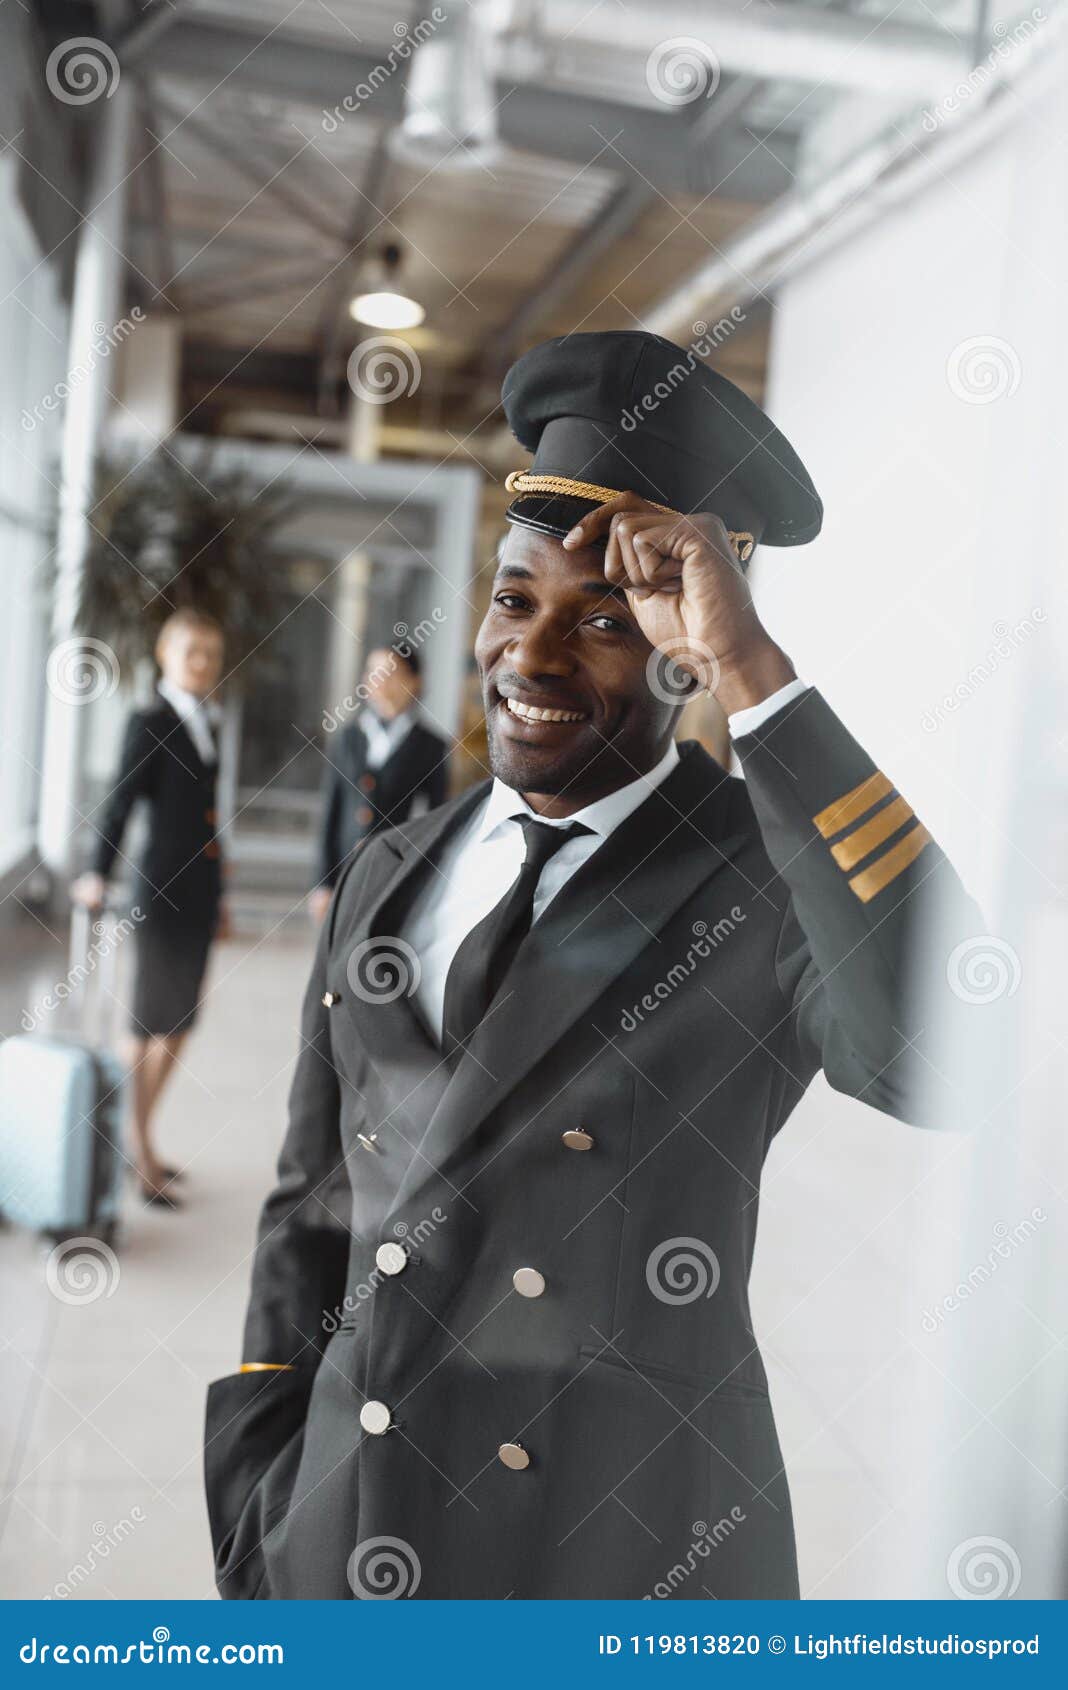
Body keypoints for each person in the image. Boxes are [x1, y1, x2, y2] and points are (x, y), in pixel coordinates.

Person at [204, 331, 985, 1600]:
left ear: (686, 646)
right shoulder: (392, 867)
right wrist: (260, 1482)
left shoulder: (760, 882)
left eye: (607, 620)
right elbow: (313, 1203)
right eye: (516, 600)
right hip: (344, 1530)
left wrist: (758, 675)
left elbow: (941, 1058)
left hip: (612, 1549)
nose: (535, 656)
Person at [72, 608, 228, 1208]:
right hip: (159, 895)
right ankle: (136, 1157)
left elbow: (206, 819)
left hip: (198, 894)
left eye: (211, 654)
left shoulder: (204, 719)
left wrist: (222, 892)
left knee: (181, 1023)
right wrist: (94, 871)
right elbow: (119, 803)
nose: (202, 663)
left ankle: (141, 1143)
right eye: (191, 652)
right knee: (147, 1026)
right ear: (165, 654)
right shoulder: (150, 720)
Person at [309, 644, 448, 923]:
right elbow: (330, 813)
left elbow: (438, 821)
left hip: (396, 876)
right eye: (371, 671)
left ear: (414, 681)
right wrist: (323, 883)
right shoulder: (348, 739)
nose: (376, 679)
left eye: (388, 671)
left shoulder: (431, 747)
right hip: (345, 875)